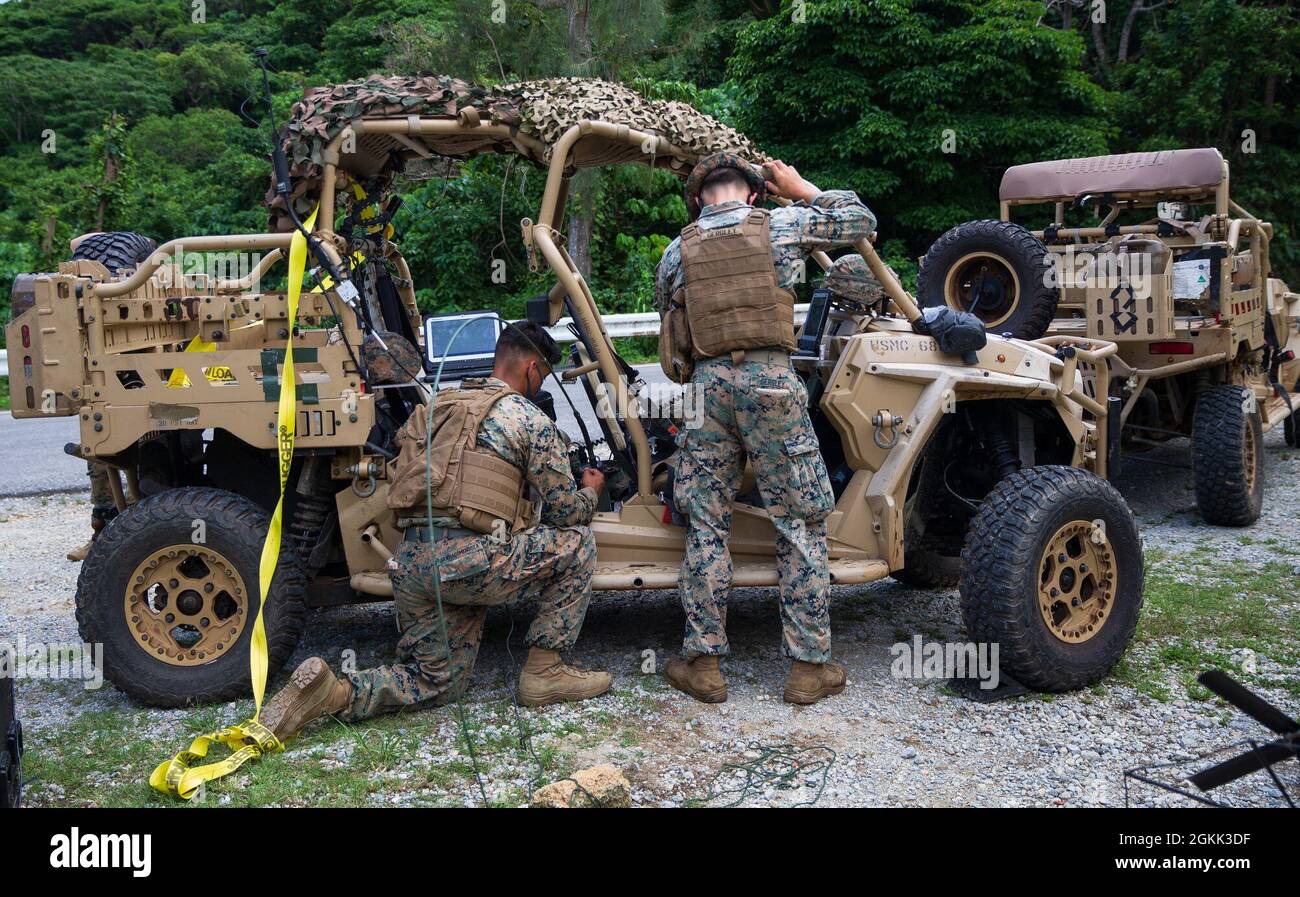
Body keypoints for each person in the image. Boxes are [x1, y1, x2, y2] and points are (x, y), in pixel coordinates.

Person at [261, 322, 611, 741]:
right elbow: (565, 512)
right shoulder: (529, 419)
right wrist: (591, 491)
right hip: (472, 563)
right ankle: (544, 672)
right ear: (533, 369)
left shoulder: (436, 406)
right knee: (578, 544)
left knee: (434, 679)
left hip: (411, 566)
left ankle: (333, 693)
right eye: (543, 377)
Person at [653, 153, 876, 705]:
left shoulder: (676, 250)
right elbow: (862, 222)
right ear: (752, 194)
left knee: (706, 524)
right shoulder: (780, 224)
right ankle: (807, 669)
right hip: (772, 384)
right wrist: (802, 188)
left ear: (701, 198)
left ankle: (702, 664)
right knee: (798, 520)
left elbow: (667, 314)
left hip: (707, 390)